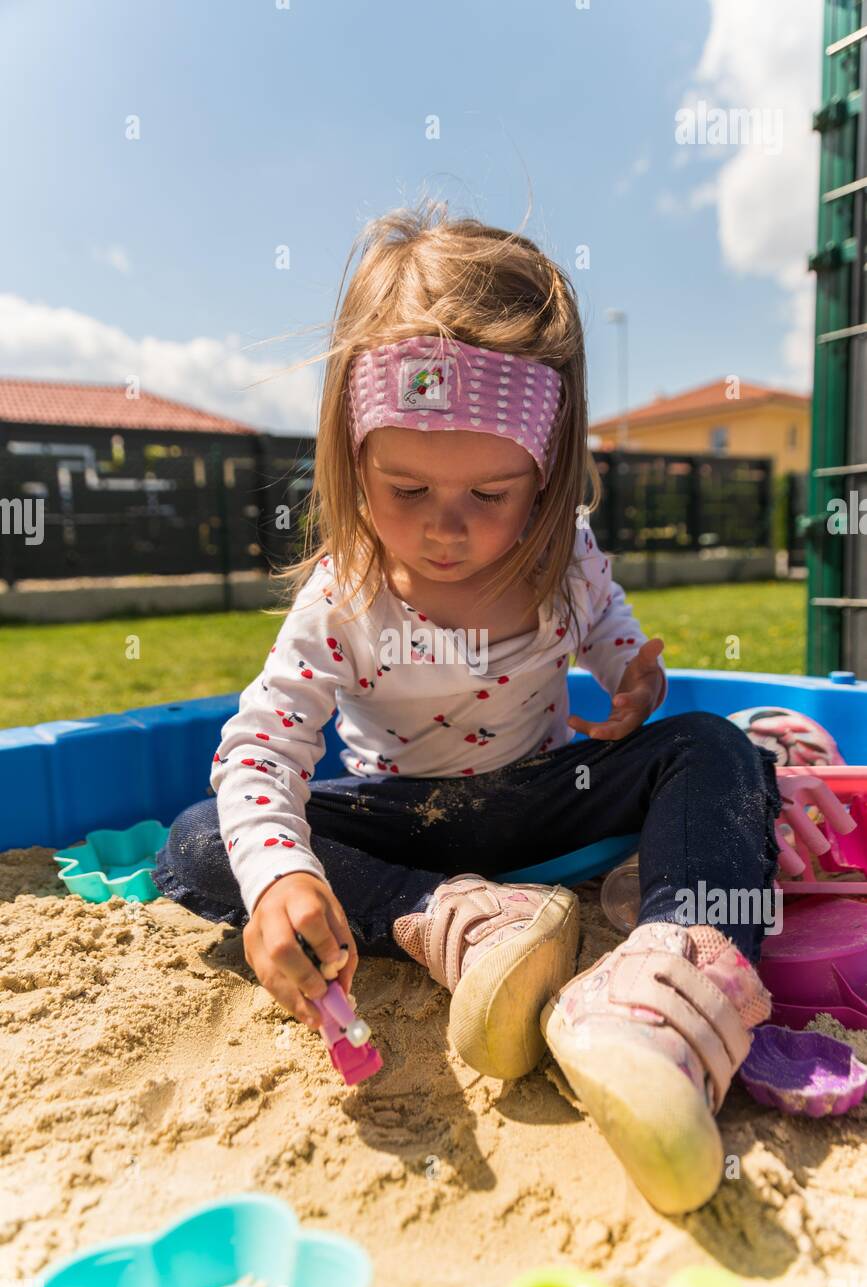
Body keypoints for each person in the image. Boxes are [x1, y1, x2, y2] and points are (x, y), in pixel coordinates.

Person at [153, 200, 782, 1215]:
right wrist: (279, 885)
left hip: (545, 797)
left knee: (714, 747)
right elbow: (260, 754)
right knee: (198, 844)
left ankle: (670, 977)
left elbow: (618, 637)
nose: (447, 531)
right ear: (350, 459)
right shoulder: (341, 600)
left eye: (491, 495)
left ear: (546, 471)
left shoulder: (560, 562)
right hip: (406, 826)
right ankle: (463, 926)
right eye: (405, 489)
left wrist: (635, 682)